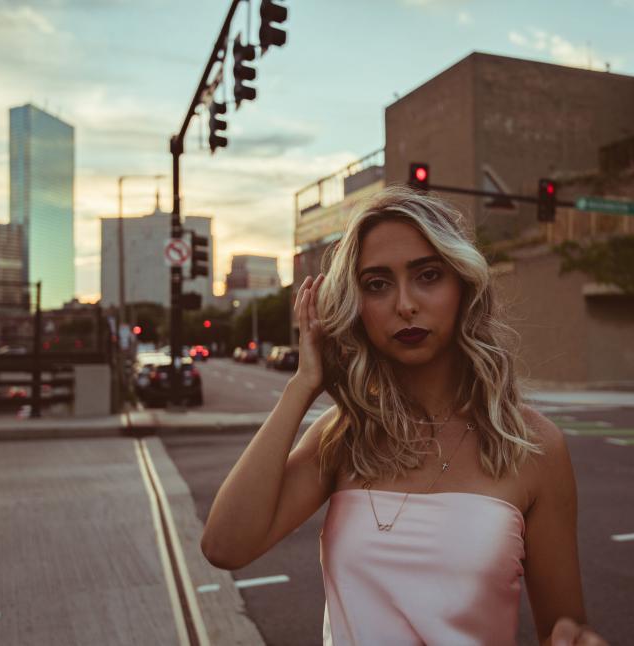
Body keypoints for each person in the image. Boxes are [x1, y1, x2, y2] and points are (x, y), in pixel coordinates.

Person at [202, 186, 608, 646]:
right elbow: (224, 546)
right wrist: (303, 385)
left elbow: (563, 627)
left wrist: (578, 639)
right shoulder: (341, 438)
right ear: (358, 305)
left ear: (462, 286)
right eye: (377, 284)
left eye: (428, 275)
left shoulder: (534, 446)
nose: (405, 304)